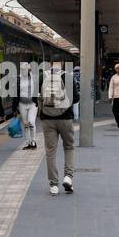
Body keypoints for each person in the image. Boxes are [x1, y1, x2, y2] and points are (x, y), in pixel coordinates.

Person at [38, 62, 77, 195]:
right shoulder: (68, 77)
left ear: (49, 65)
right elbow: (75, 98)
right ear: (63, 65)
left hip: (47, 119)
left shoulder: (41, 77)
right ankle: (68, 177)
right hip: (65, 119)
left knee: (50, 152)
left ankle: (53, 185)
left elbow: (34, 98)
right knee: (69, 147)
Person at [17, 62, 39, 150]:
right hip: (22, 103)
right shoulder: (18, 79)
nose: (24, 71)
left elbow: (38, 88)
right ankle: (28, 142)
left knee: (31, 122)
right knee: (26, 124)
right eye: (22, 69)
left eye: (25, 69)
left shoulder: (34, 78)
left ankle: (34, 141)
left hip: (32, 103)